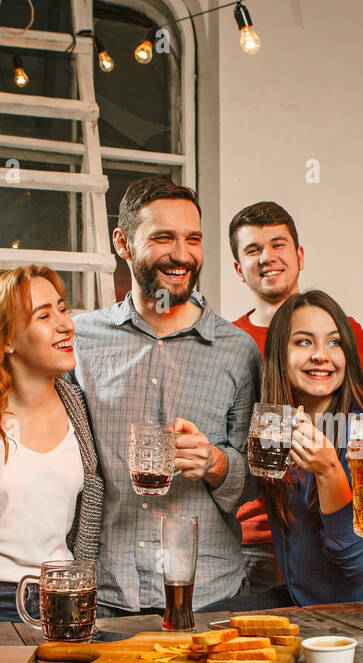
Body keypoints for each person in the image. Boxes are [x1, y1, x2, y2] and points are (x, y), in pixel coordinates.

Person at [71, 176, 260, 615]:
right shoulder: (82, 341)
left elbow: (256, 481)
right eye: (163, 238)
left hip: (209, 595)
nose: (181, 254)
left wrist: (214, 463)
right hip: (104, 592)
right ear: (122, 243)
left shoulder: (237, 350)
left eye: (193, 239)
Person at [228, 201, 363, 598]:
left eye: (278, 244)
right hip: (266, 535)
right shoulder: (230, 344)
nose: (320, 355)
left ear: (299, 256)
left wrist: (334, 466)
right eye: (253, 250)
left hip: (341, 533)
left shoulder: (362, 433)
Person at [249, 290, 363, 617]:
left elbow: (357, 565)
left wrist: (329, 471)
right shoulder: (273, 432)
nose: (320, 355)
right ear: (278, 355)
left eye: (334, 342)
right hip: (310, 617)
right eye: (303, 342)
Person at [0, 266, 104, 622]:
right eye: (44, 315)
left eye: (63, 309)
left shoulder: (78, 406)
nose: (66, 324)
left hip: (66, 600)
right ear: (7, 339)